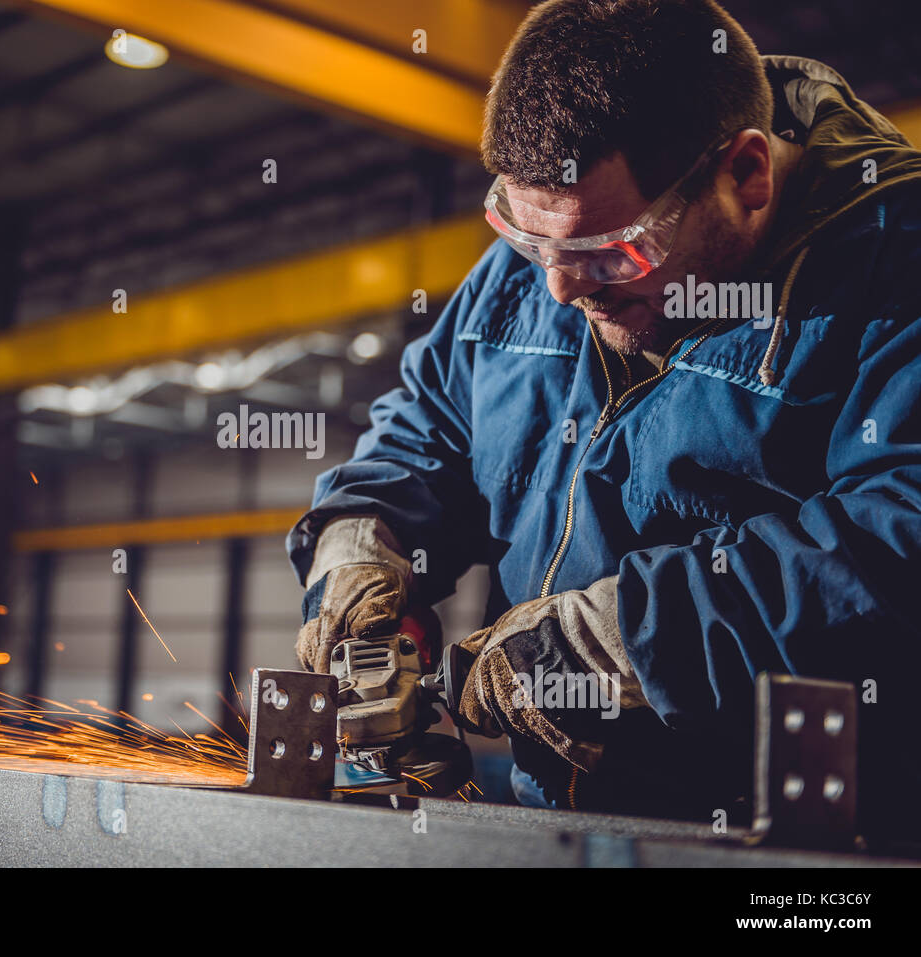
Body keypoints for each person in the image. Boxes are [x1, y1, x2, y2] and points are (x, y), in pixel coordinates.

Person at [287, 0, 921, 841]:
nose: (560, 290)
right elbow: (425, 427)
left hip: (796, 849)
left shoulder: (894, 264)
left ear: (747, 174)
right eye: (524, 241)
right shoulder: (556, 244)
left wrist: (615, 638)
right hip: (552, 832)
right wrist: (359, 554)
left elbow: (899, 535)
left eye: (612, 254)